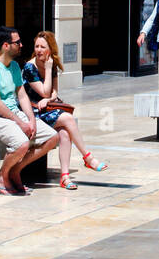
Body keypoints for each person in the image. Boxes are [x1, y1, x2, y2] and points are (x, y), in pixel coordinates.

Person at [0, 27, 60, 196]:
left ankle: (15, 170)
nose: (22, 45)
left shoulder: (13, 66)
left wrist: (31, 120)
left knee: (52, 137)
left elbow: (22, 96)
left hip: (13, 114)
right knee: (22, 144)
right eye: (17, 42)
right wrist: (21, 123)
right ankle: (3, 175)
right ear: (6, 45)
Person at [22, 30, 109, 189]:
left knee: (64, 133)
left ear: (50, 48)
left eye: (43, 47)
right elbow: (44, 91)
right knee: (68, 119)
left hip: (45, 109)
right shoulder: (30, 67)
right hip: (30, 113)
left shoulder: (51, 63)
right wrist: (47, 72)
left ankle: (65, 177)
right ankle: (87, 157)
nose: (39, 50)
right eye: (37, 46)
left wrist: (47, 99)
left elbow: (53, 92)